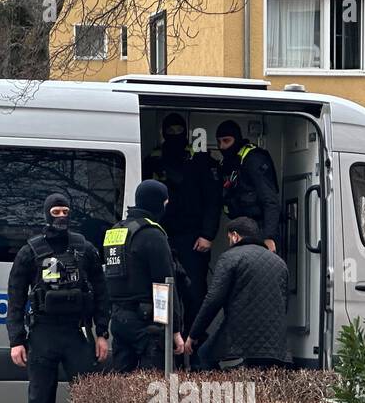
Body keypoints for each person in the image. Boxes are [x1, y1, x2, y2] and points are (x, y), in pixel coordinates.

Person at [7, 192, 110, 403]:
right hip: (42, 333)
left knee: (89, 398)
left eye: (65, 210)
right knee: (39, 401)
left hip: (76, 333)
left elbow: (102, 293)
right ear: (46, 214)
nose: (61, 216)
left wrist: (102, 333)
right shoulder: (31, 250)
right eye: (56, 211)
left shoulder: (84, 248)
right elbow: (15, 297)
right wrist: (16, 339)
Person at [185, 216, 292, 370]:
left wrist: (193, 335)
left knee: (204, 355)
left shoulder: (230, 257)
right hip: (276, 344)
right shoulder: (279, 263)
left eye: (229, 238)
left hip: (240, 337)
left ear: (235, 236)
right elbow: (284, 304)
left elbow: (213, 300)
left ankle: (219, 393)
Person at [144, 112, 221, 325]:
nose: (175, 135)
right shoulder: (153, 159)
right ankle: (164, 347)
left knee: (195, 293)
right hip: (160, 235)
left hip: (193, 237)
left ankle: (193, 345)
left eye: (179, 131)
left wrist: (207, 234)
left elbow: (213, 200)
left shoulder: (199, 160)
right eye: (171, 131)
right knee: (160, 292)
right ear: (163, 133)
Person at [102, 179, 186, 372]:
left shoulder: (115, 231)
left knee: (124, 387)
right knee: (154, 388)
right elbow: (165, 285)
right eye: (165, 203)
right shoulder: (152, 234)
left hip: (119, 320)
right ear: (157, 203)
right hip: (147, 323)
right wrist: (174, 329)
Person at [216, 120, 280, 252]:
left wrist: (269, 237)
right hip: (240, 228)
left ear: (237, 139)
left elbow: (270, 200)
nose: (221, 146)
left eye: (226, 141)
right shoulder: (228, 162)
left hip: (259, 228)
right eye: (219, 142)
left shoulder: (253, 159)